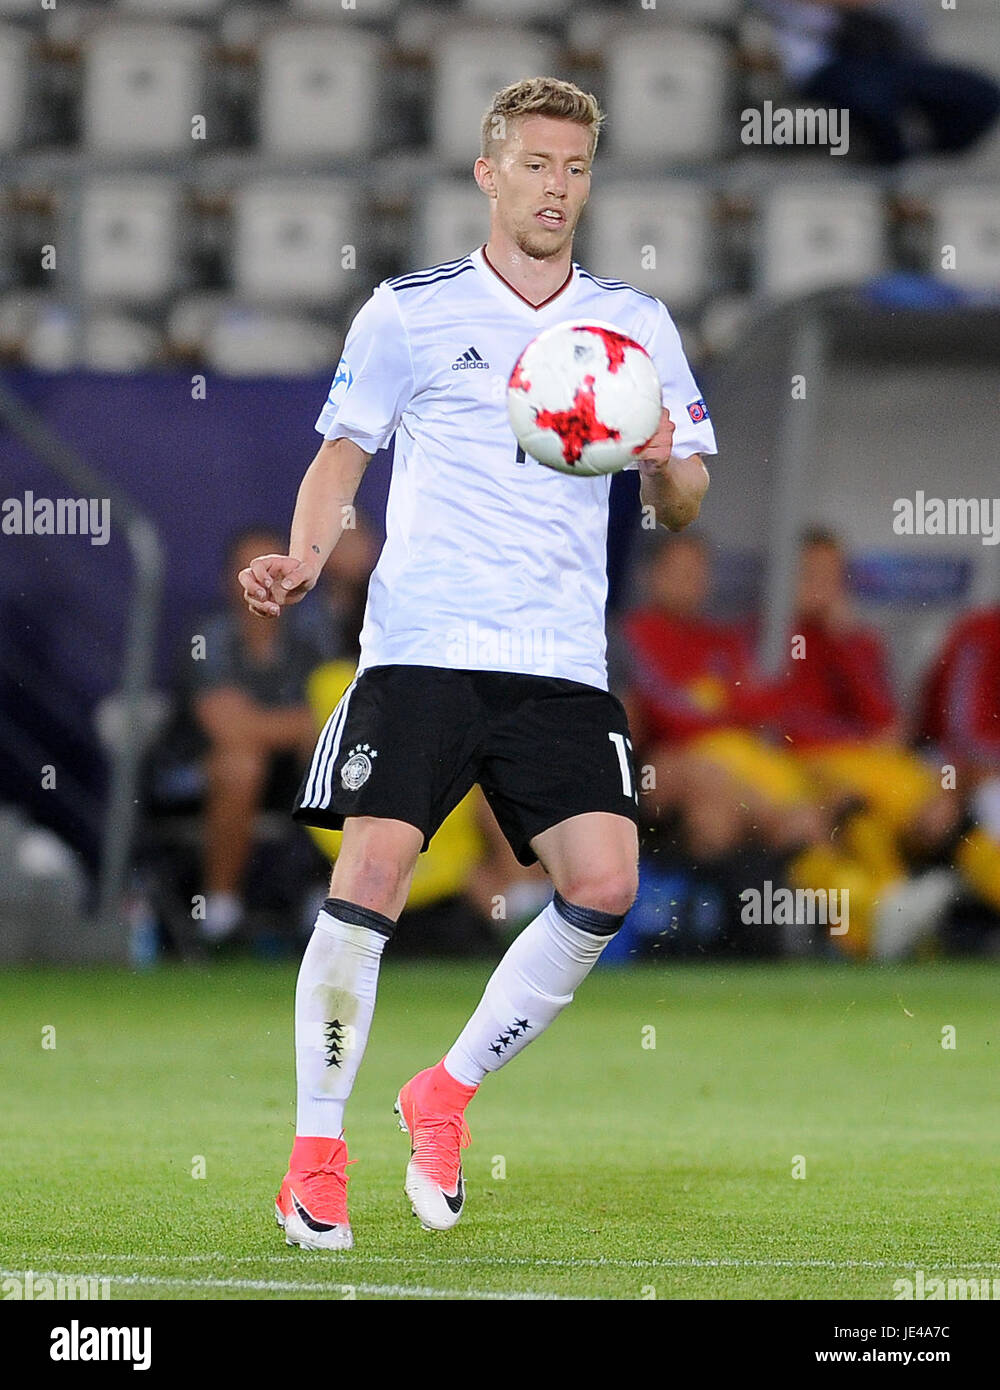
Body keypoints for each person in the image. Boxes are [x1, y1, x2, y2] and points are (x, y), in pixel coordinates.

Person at [238, 77, 715, 1250]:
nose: (557, 187)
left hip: (558, 656)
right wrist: (305, 559)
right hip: (422, 645)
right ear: (487, 174)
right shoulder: (407, 310)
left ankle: (442, 1091)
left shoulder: (634, 325)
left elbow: (690, 500)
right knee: (377, 874)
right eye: (536, 165)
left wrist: (659, 460)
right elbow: (342, 457)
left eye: (575, 168)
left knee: (604, 883)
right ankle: (314, 1156)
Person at [189, 527, 322, 942]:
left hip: (295, 773)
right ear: (232, 578)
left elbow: (328, 716)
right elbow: (223, 725)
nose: (264, 580)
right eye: (251, 569)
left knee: (336, 757)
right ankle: (221, 911)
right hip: (205, 770)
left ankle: (329, 896)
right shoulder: (208, 638)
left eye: (272, 569)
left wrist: (275, 727)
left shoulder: (311, 638)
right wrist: (294, 725)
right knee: (242, 764)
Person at [753, 0, 1000, 165]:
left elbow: (912, 25)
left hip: (889, 61)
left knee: (982, 95)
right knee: (872, 99)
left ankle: (925, 158)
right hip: (825, 66)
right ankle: (892, 167)